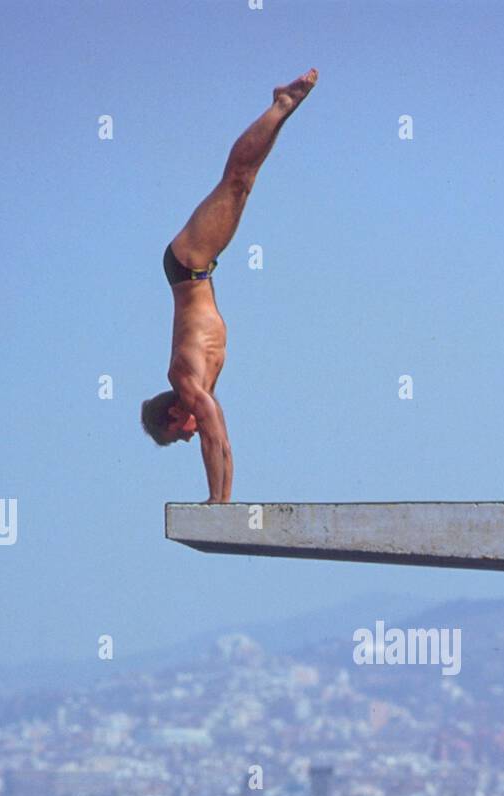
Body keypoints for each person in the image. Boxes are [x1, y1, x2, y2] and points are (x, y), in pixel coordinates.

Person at [140, 69, 318, 502]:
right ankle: (283, 110)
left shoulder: (185, 383)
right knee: (243, 184)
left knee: (236, 180)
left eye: (177, 436)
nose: (187, 437)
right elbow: (221, 438)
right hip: (198, 269)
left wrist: (218, 504)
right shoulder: (202, 389)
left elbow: (212, 440)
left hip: (189, 264)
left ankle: (281, 104)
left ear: (172, 416)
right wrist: (224, 505)